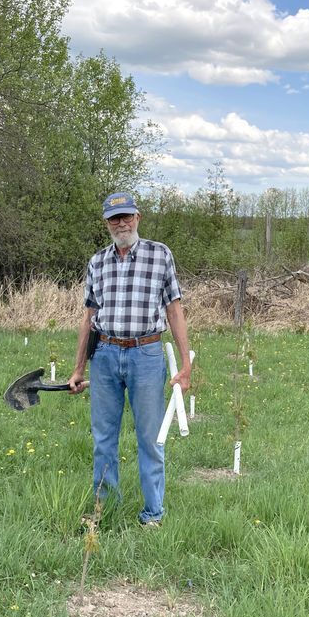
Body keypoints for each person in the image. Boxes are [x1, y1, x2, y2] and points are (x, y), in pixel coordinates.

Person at [68, 191, 191, 528]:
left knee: (150, 438)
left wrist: (185, 364)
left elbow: (175, 311)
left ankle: (153, 514)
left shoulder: (159, 255)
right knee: (103, 437)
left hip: (146, 354)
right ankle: (104, 509)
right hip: (105, 354)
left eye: (126, 216)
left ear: (137, 218)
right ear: (106, 223)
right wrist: (79, 368)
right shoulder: (97, 262)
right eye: (113, 218)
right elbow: (88, 317)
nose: (121, 223)